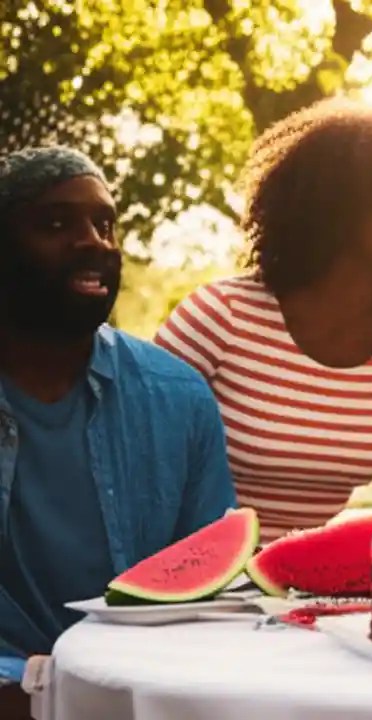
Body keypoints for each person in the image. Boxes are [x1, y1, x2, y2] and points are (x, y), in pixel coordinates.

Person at [156, 99, 372, 543]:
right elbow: (134, 456)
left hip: (300, 595)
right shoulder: (220, 316)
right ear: (355, 190)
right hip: (184, 577)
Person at [0, 147, 236, 716]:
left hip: (137, 689)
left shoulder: (178, 396)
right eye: (56, 224)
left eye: (105, 224)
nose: (94, 242)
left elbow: (209, 590)